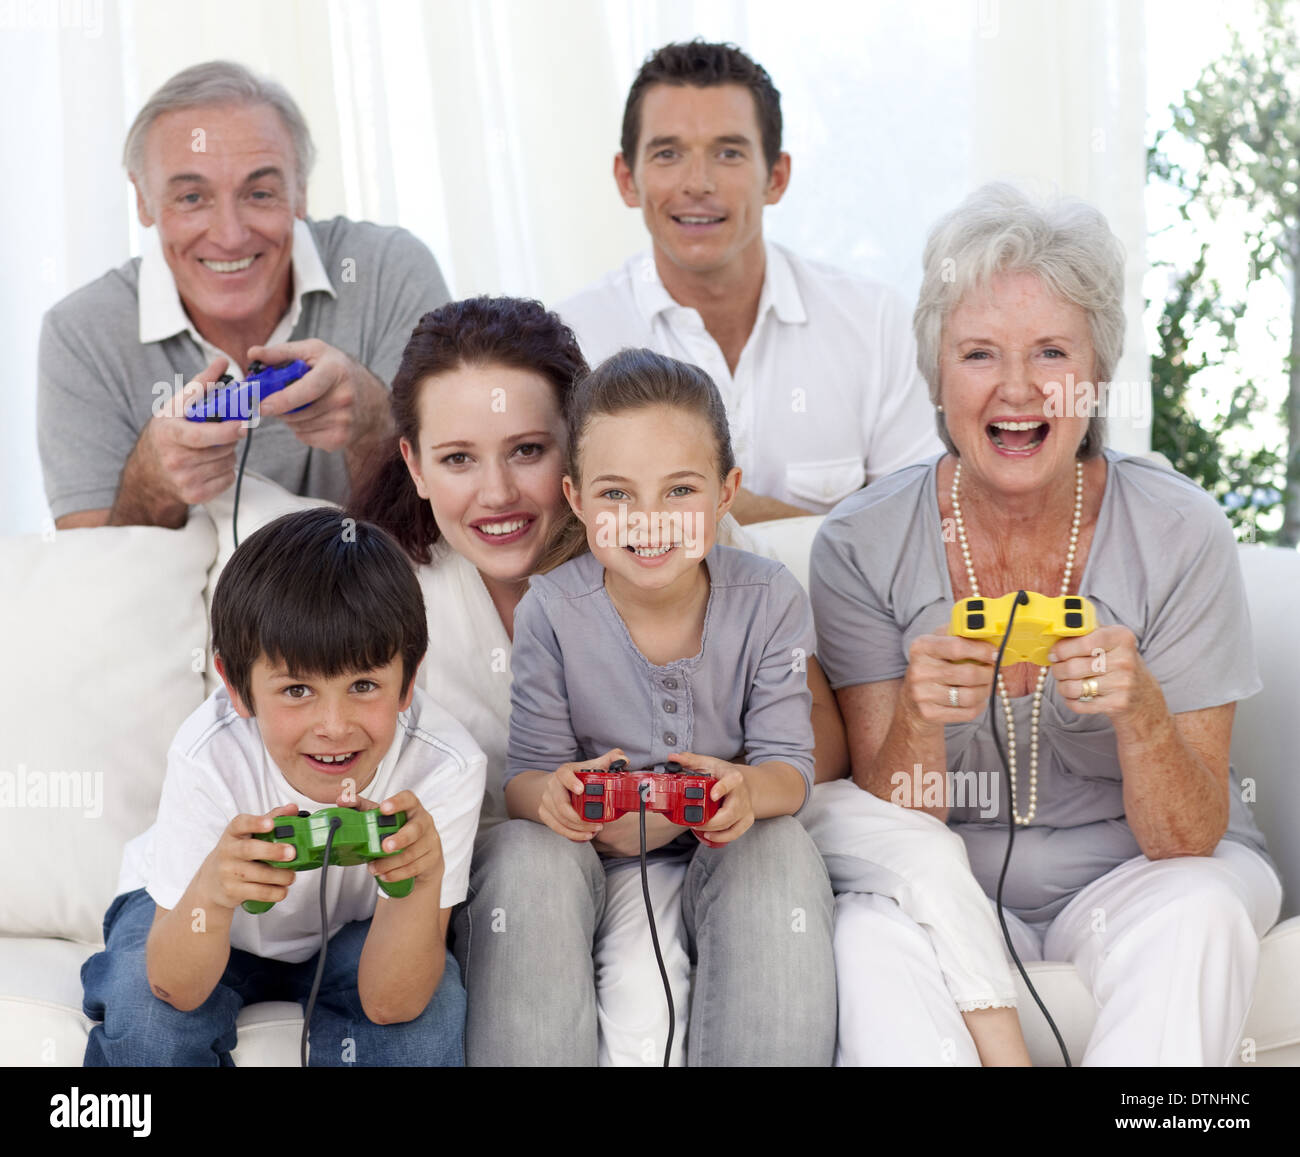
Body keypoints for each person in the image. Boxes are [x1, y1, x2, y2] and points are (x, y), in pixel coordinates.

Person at [803, 182, 1282, 1066]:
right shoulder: (859, 543)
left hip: (1140, 879)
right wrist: (917, 717)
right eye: (979, 353)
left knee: (1205, 908)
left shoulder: (1180, 531)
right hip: (948, 887)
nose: (1017, 389)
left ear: (1097, 374)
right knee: (864, 936)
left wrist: (1142, 714)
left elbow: (1186, 838)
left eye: (1052, 352)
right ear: (937, 375)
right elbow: (893, 829)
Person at [352, 300, 841, 1064]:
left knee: (772, 848)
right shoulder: (392, 607)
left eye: (527, 450)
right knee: (532, 860)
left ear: (573, 451)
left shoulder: (697, 550)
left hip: (707, 851)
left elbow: (809, 746)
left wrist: (714, 796)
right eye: (458, 459)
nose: (497, 493)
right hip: (536, 881)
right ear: (416, 465)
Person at [501, 347, 836, 1066]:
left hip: (728, 847)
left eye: (679, 490)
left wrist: (747, 789)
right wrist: (553, 797)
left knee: (778, 844)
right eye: (616, 494)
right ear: (575, 499)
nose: (648, 521)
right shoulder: (550, 610)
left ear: (726, 492)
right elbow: (525, 779)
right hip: (607, 861)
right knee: (624, 982)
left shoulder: (770, 598)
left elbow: (790, 767)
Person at [80, 508, 486, 1065]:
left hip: (352, 931)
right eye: (297, 691)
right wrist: (213, 894)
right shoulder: (209, 755)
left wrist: (420, 882)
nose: (334, 726)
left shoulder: (446, 767)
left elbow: (394, 1005)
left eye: (364, 685)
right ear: (236, 688)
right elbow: (175, 987)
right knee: (149, 1019)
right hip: (188, 915)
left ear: (408, 680)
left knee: (422, 1027)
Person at [38, 60, 450, 530]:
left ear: (300, 191)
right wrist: (153, 484)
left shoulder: (388, 271)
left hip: (373, 579)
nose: (230, 236)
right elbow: (90, 564)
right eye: (192, 198)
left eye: (260, 193)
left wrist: (375, 423)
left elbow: (447, 526)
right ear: (143, 201)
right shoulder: (80, 333)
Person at [557, 40, 940, 523]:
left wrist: (725, 511)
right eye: (668, 153)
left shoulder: (877, 323)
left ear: (776, 177)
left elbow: (918, 529)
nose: (698, 183)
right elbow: (565, 536)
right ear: (627, 179)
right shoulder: (572, 341)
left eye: (728, 153)